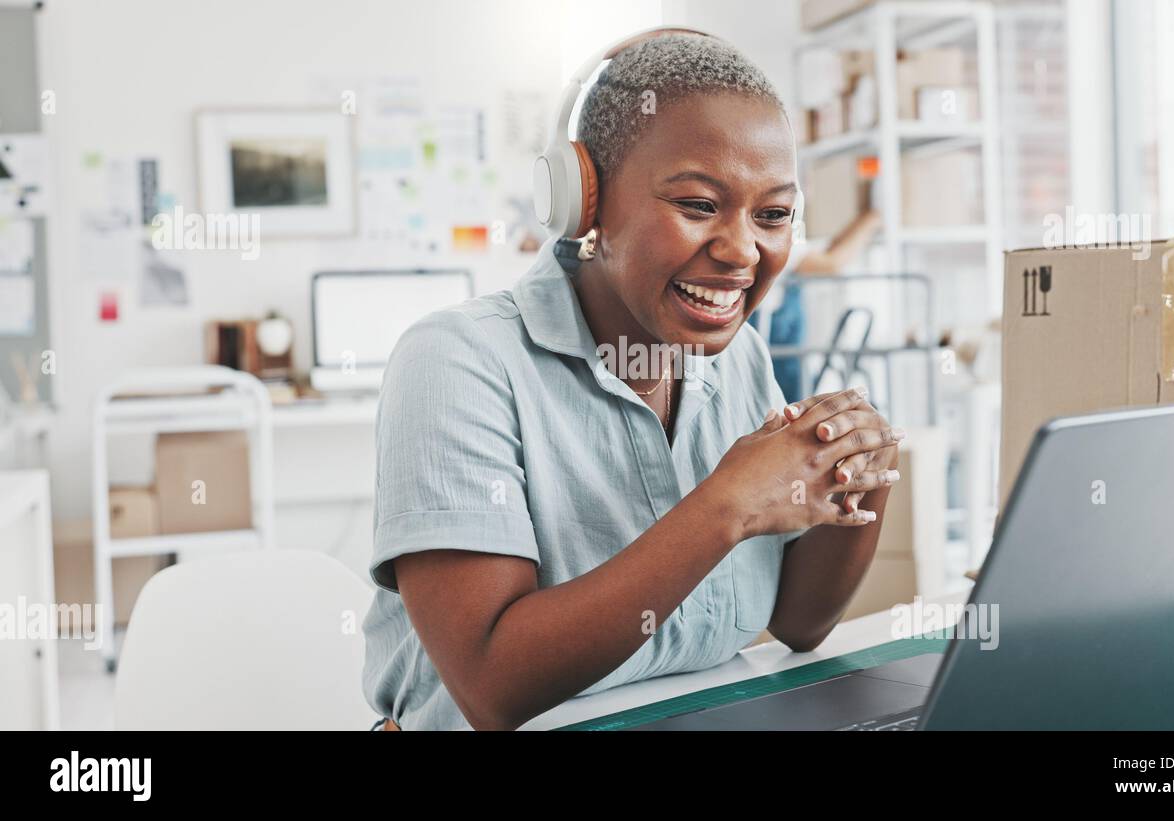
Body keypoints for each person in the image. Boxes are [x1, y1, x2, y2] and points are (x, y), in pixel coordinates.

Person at [362, 30, 903, 730]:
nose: (742, 250)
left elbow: (800, 622)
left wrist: (862, 478)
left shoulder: (739, 362)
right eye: (699, 205)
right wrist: (725, 504)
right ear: (587, 204)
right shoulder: (457, 362)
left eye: (772, 215)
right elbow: (493, 687)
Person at [749, 207, 882, 401]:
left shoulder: (782, 237)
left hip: (781, 343)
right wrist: (872, 219)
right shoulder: (776, 241)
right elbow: (832, 263)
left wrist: (863, 217)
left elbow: (830, 250)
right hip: (772, 344)